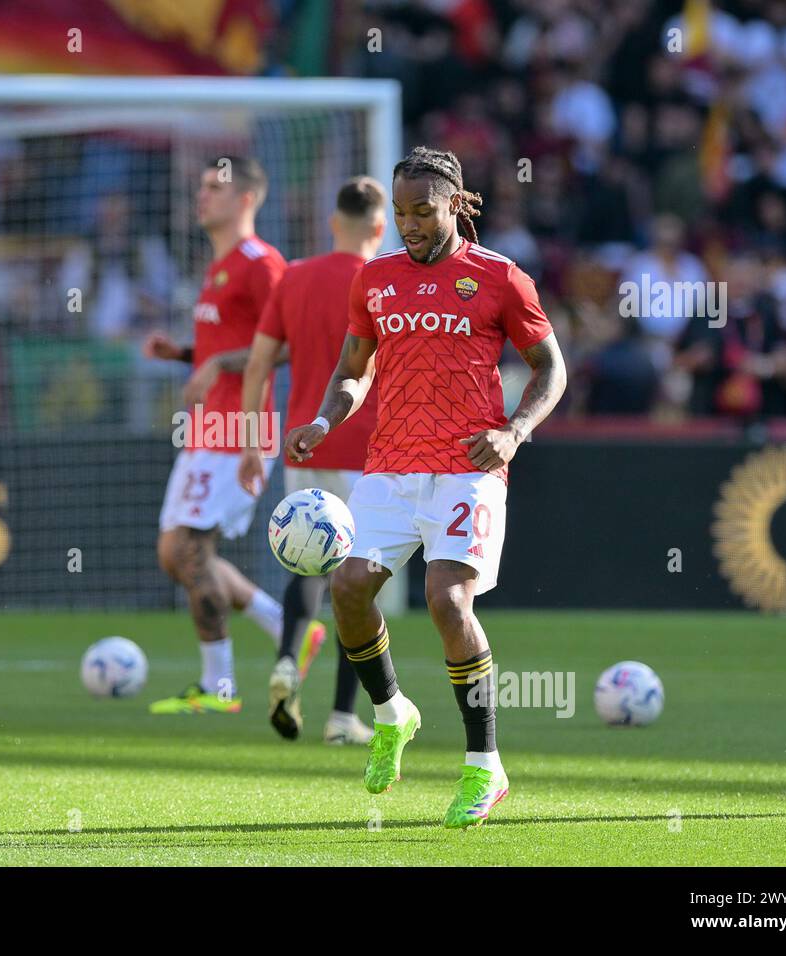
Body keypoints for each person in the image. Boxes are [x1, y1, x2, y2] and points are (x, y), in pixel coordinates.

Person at [283, 147, 566, 828]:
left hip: (469, 467)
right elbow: (356, 368)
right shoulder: (375, 281)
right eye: (401, 211)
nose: (408, 224)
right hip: (390, 466)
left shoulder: (499, 278)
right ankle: (390, 713)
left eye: (422, 211)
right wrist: (325, 418)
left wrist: (515, 431)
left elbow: (551, 369)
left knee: (447, 599)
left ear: (456, 205)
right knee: (348, 589)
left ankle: (484, 768)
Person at [143, 156, 309, 715]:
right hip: (207, 428)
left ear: (246, 200)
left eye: (215, 187)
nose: (202, 195)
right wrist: (188, 356)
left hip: (242, 427)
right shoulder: (217, 267)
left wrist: (216, 368)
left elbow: (289, 343)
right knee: (180, 555)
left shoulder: (261, 263)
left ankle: (220, 687)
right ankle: (281, 624)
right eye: (201, 185)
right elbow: (233, 346)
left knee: (186, 548)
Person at [236, 175, 387, 745]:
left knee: (304, 564)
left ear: (333, 222)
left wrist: (253, 442)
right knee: (358, 582)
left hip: (302, 440)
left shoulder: (294, 277)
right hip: (369, 447)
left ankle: (284, 664)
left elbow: (257, 366)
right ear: (380, 226)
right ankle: (344, 717)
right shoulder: (383, 283)